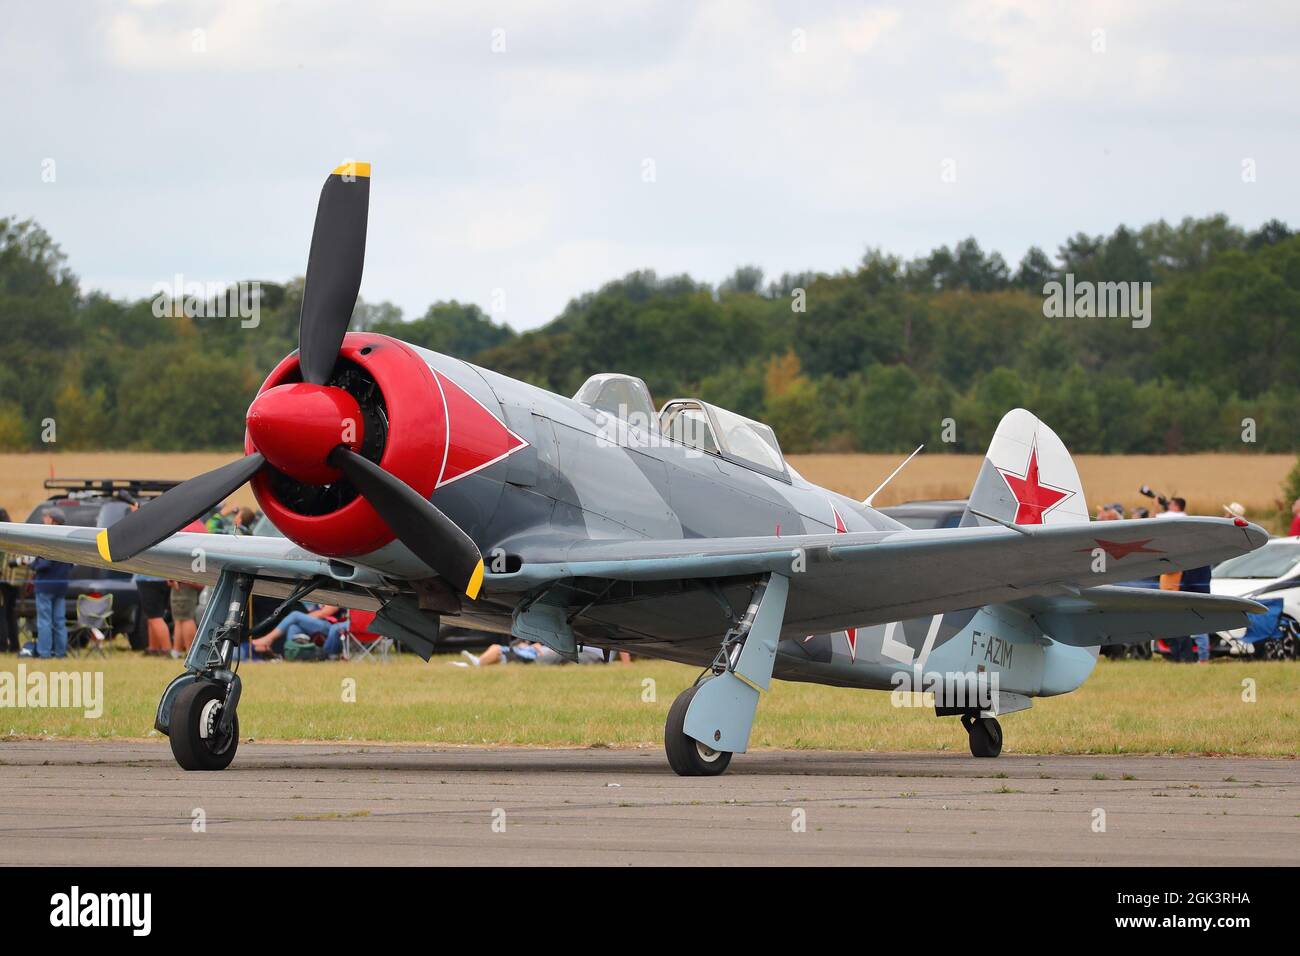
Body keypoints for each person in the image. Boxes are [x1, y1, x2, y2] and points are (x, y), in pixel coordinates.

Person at [32, 508, 72, 658]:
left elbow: (44, 564)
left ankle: (44, 653)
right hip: (61, 586)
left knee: (44, 622)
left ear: (53, 520)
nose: (44, 519)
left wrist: (33, 565)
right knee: (60, 621)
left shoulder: (49, 536)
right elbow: (71, 564)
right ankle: (61, 652)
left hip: (45, 586)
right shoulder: (67, 538)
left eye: (46, 517)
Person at [249, 603, 346, 658]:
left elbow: (325, 613)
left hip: (333, 627)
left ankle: (268, 639)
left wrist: (301, 618)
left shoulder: (334, 590)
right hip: (316, 627)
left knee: (295, 616)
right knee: (294, 627)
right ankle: (292, 656)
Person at [457, 642, 629, 667]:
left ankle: (477, 664)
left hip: (538, 653)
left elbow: (622, 645)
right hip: (539, 651)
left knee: (497, 649)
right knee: (500, 651)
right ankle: (477, 663)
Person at [0, 507, 23, 653]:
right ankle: (15, 645)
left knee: (1, 614)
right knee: (11, 614)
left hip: (2, 580)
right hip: (16, 582)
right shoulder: (15, 534)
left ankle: (2, 645)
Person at [168, 579, 203, 656]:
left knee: (186, 619)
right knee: (179, 620)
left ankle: (190, 652)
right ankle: (177, 651)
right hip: (182, 584)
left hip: (185, 585)